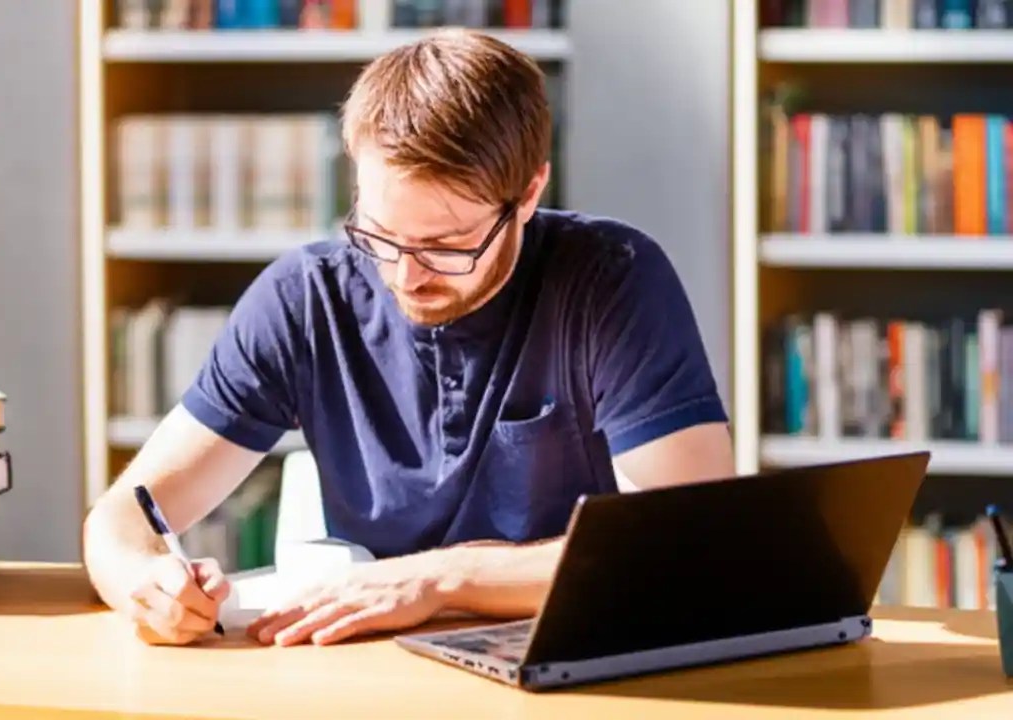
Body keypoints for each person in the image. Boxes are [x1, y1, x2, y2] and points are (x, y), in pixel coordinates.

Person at [82, 28, 735, 648]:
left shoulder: (609, 281)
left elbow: (686, 544)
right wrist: (148, 585)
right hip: (375, 677)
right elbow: (119, 520)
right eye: (380, 233)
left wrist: (440, 578)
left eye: (448, 245)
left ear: (530, 192)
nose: (405, 274)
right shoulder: (307, 298)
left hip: (570, 664)